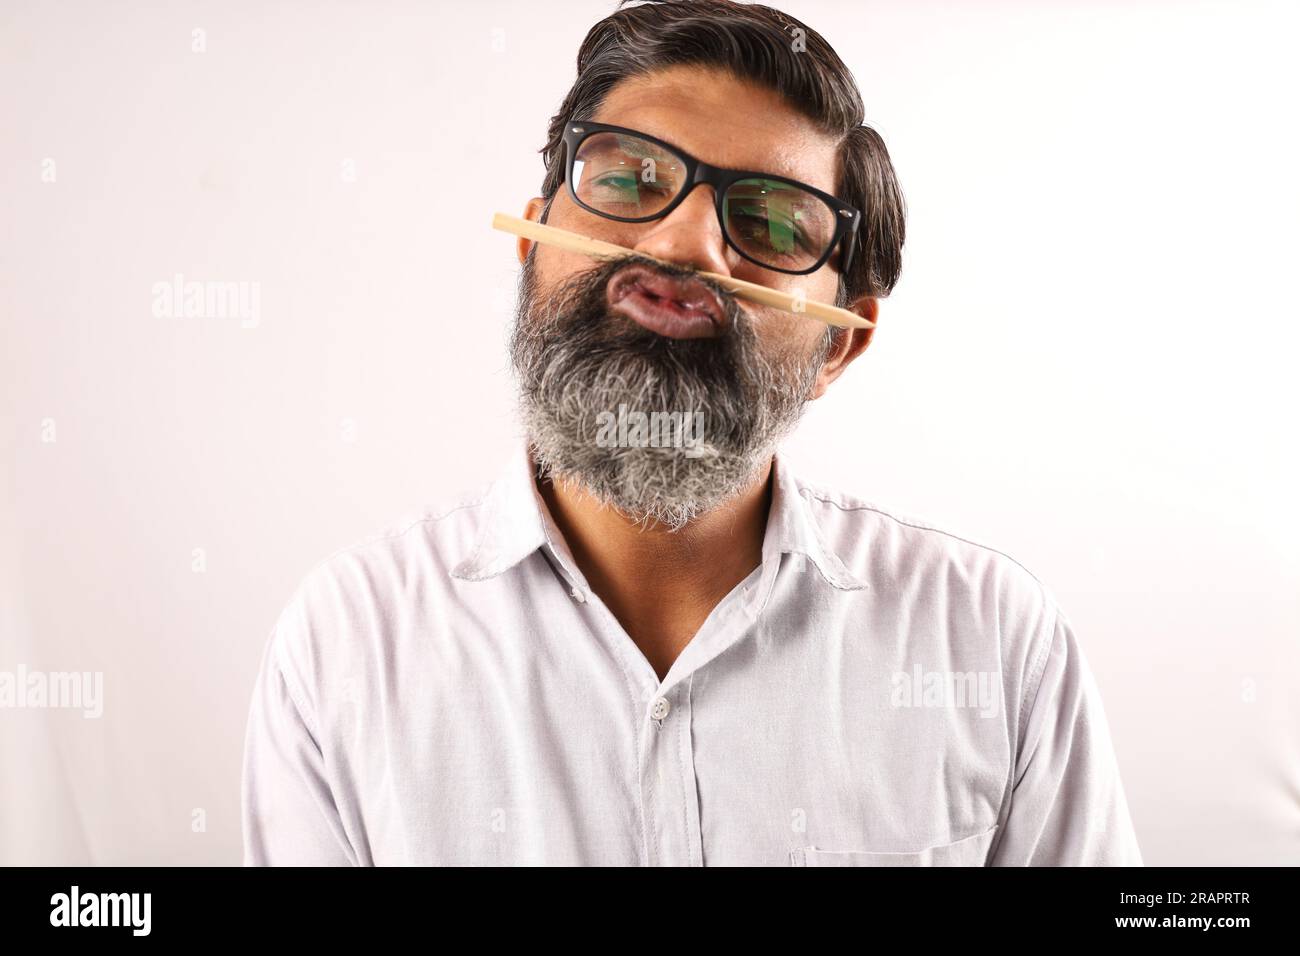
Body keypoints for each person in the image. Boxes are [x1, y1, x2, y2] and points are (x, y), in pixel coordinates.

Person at [241, 0, 1142, 866]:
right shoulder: (348, 644)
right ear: (532, 246)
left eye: (773, 223)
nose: (685, 247)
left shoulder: (990, 641)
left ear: (840, 346)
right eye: (630, 180)